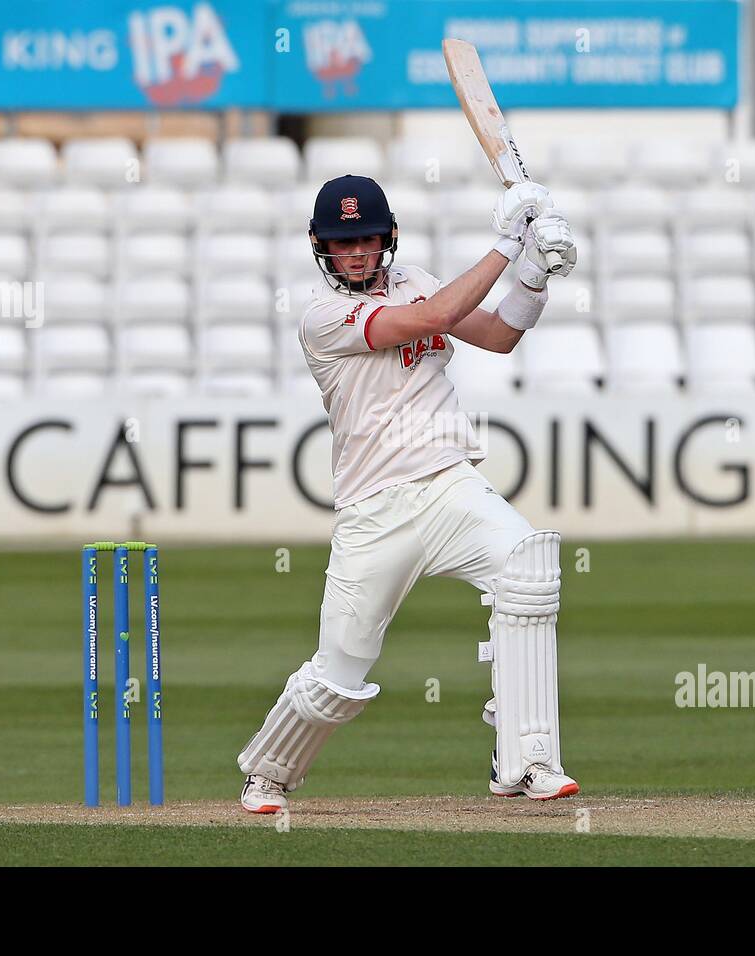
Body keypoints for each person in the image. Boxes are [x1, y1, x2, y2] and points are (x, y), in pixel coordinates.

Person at [237, 173, 579, 812]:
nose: (358, 255)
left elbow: (498, 335)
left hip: (450, 483)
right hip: (375, 508)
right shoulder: (323, 318)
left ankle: (528, 761)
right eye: (343, 245)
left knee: (528, 566)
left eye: (367, 240)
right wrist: (508, 243)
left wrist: (534, 276)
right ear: (320, 247)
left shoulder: (417, 278)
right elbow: (437, 317)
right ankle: (268, 772)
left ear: (388, 238)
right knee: (341, 670)